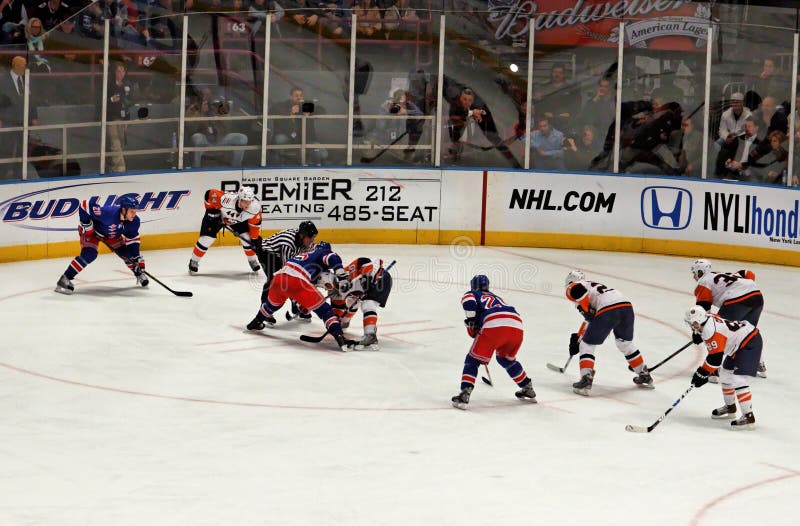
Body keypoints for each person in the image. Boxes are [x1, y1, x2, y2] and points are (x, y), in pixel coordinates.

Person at [245, 241, 356, 352]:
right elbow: (333, 258)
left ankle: (256, 321)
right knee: (325, 310)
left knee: (271, 305)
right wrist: (342, 277)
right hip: (297, 281)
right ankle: (340, 337)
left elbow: (304, 287)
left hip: (278, 279)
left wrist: (303, 305)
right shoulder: (324, 252)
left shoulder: (305, 256)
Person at [451, 275, 536, 409]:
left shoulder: (473, 294)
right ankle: (527, 387)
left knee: (472, 360)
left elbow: (469, 302)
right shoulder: (497, 298)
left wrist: (471, 321)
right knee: (506, 359)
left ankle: (464, 393)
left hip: (494, 324)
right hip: (517, 326)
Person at [564, 270, 653, 395]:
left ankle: (586, 379)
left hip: (608, 308)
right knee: (624, 343)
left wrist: (586, 309)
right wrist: (579, 336)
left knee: (586, 345)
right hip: (626, 306)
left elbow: (577, 290)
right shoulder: (591, 286)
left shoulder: (573, 286)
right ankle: (644, 374)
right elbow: (590, 319)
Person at [685, 306, 762, 430]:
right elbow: (718, 320)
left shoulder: (711, 331)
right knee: (725, 375)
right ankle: (730, 407)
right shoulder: (707, 318)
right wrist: (698, 333)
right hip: (738, 344)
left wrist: (702, 373)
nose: (691, 326)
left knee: (738, 379)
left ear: (698, 321)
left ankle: (748, 416)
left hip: (749, 342)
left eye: (692, 324)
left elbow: (715, 359)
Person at [55, 196, 148, 294]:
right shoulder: (109, 213)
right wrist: (87, 224)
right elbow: (85, 204)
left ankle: (139, 273)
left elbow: (132, 240)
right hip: (93, 233)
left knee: (127, 255)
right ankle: (65, 278)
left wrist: (136, 257)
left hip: (112, 235)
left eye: (135, 211)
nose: (134, 214)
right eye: (132, 211)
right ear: (124, 209)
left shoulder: (134, 222)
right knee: (89, 254)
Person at [690, 259, 766, 378]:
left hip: (737, 301)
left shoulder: (703, 282)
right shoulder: (723, 275)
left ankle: (712, 370)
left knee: (718, 331)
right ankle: (757, 364)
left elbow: (702, 313)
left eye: (694, 273)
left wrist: (697, 332)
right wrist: (744, 286)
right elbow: (747, 273)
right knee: (747, 333)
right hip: (757, 298)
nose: (693, 276)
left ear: (700, 272)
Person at [188, 187, 262, 274]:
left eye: (249, 201)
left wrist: (254, 239)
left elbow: (255, 224)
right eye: (245, 201)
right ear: (239, 199)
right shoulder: (226, 200)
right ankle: (194, 261)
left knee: (247, 238)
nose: (248, 204)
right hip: (218, 216)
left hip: (237, 220)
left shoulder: (255, 208)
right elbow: (208, 194)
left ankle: (252, 260)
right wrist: (211, 210)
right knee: (207, 239)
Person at [446, 86, 520, 168]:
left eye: (469, 100)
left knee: (494, 138)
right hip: (464, 111)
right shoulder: (455, 105)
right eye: (464, 99)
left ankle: (515, 163)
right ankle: (455, 156)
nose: (466, 102)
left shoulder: (478, 108)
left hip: (478, 111)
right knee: (455, 132)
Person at [330, 257, 393, 351]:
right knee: (352, 301)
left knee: (368, 304)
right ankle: (353, 325)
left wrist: (366, 278)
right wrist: (339, 322)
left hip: (381, 278)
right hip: (368, 285)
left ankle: (370, 335)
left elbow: (365, 261)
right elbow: (340, 308)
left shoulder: (346, 271)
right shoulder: (337, 293)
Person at [253, 220, 318, 307]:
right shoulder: (288, 243)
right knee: (274, 279)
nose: (312, 240)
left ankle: (296, 304)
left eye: (313, 237)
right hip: (267, 252)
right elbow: (287, 270)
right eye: (310, 237)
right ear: (302, 236)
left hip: (280, 254)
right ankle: (264, 306)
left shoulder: (307, 242)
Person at [187, 87, 248, 167]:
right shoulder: (194, 108)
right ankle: (196, 167)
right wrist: (201, 113)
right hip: (204, 139)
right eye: (203, 95)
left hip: (220, 138)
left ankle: (236, 167)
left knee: (241, 138)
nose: (205, 97)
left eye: (208, 95)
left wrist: (218, 114)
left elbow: (229, 124)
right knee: (196, 137)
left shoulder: (219, 105)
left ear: (211, 95)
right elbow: (190, 127)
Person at [270, 86, 327, 165]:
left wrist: (310, 112)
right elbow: (272, 111)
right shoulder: (283, 105)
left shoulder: (306, 105)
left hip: (305, 138)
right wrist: (290, 112)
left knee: (323, 154)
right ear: (291, 97)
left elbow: (322, 110)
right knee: (279, 139)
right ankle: (277, 164)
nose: (299, 97)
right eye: (296, 95)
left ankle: (310, 164)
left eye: (301, 95)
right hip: (288, 136)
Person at [105, 62, 134, 173]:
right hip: (112, 117)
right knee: (115, 144)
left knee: (120, 144)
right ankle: (120, 170)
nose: (121, 73)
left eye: (123, 71)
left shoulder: (127, 84)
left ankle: (112, 166)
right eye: (118, 71)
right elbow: (101, 101)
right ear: (114, 72)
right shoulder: (108, 84)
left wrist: (126, 101)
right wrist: (112, 99)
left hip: (124, 117)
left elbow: (132, 100)